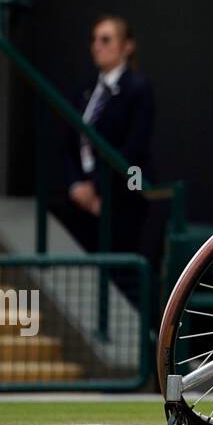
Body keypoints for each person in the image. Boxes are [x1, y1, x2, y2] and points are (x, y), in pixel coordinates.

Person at [60, 16, 155, 261]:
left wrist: (98, 188)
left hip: (119, 199)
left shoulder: (138, 88)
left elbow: (133, 148)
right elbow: (70, 141)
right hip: (81, 200)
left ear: (127, 46)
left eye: (105, 39)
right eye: (94, 39)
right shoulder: (86, 88)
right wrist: (76, 184)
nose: (96, 46)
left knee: (117, 270)